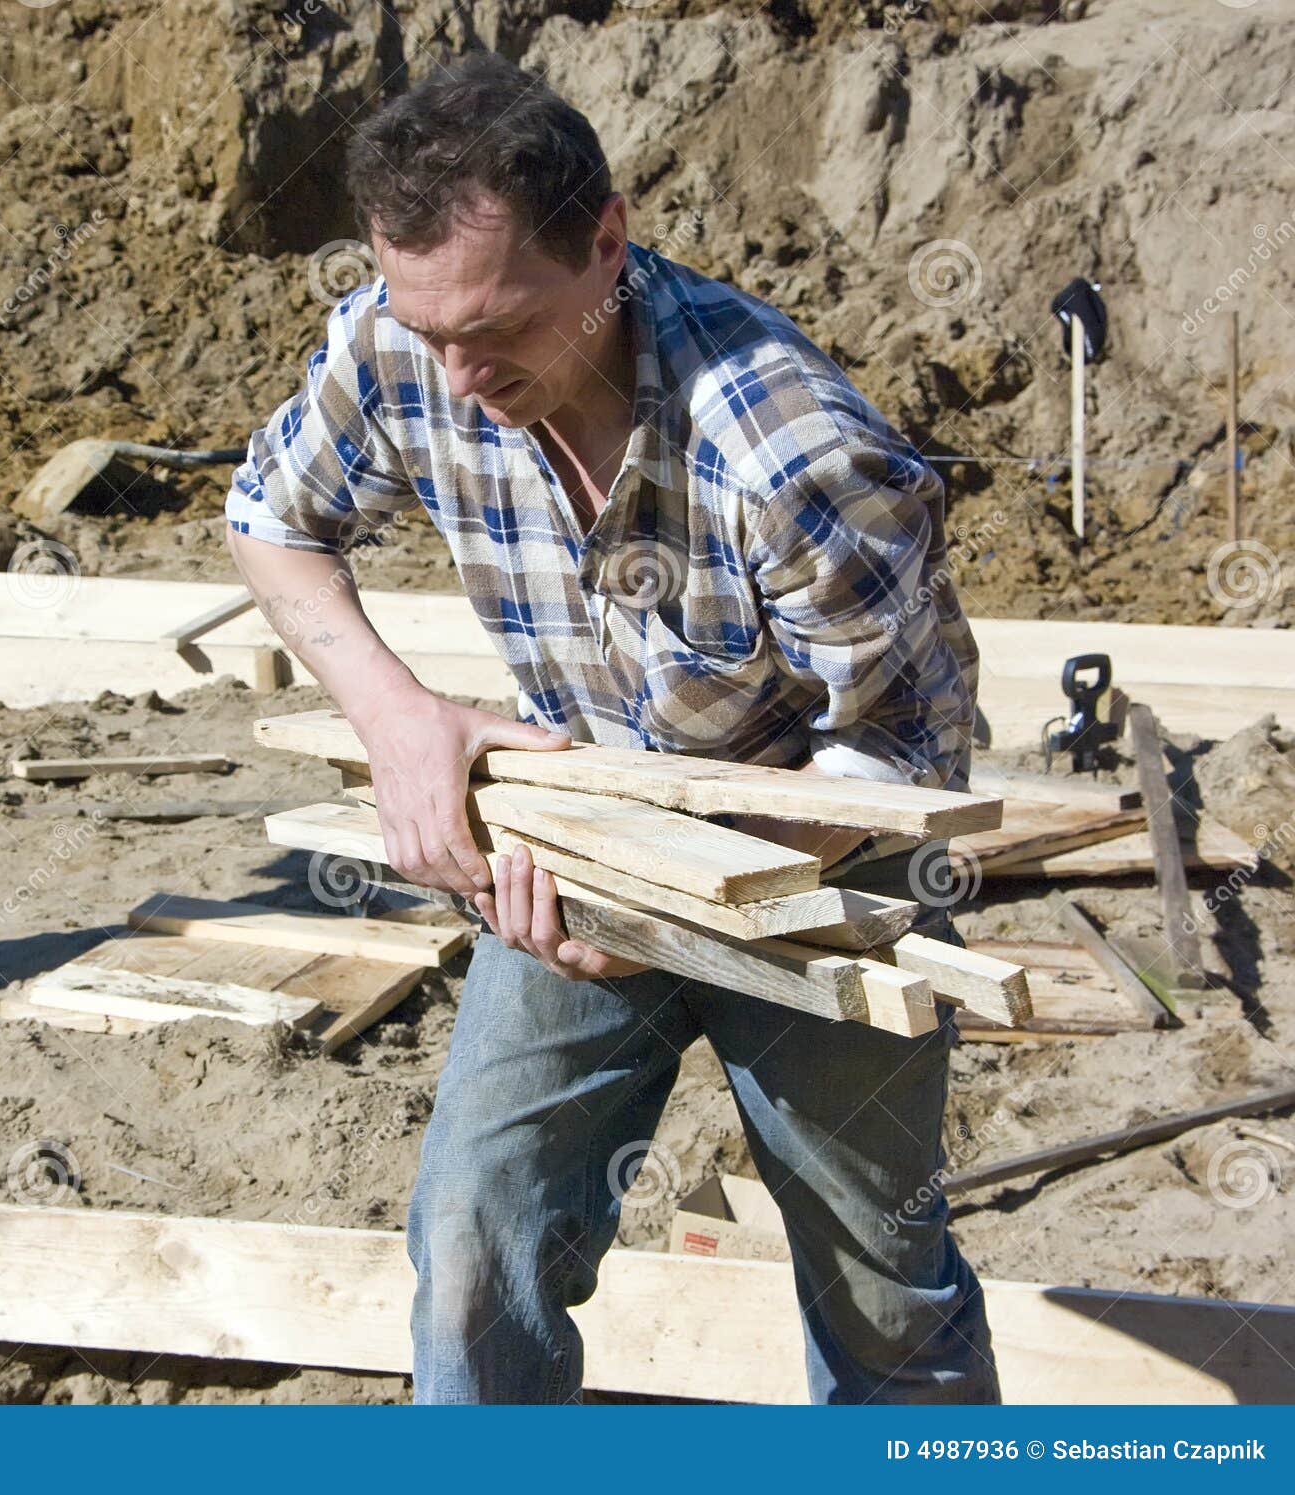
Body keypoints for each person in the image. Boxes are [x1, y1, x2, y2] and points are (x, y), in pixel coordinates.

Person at [225, 52, 998, 1405]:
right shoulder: (399, 347)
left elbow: (902, 766)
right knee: (476, 1244)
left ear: (608, 244)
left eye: (499, 328)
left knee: (885, 1290)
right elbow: (272, 521)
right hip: (573, 858)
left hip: (827, 877)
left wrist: (676, 892)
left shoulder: (796, 457)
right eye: (431, 331)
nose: (459, 376)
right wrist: (402, 722)